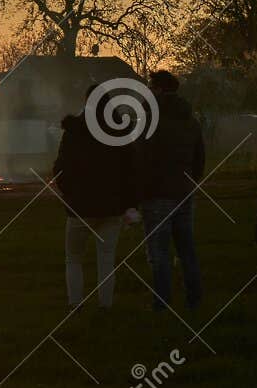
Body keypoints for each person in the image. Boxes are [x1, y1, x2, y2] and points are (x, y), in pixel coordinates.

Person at [51, 86, 139, 309]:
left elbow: (61, 169)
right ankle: (105, 305)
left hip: (80, 206)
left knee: (73, 258)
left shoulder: (74, 131)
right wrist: (129, 204)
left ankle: (75, 304)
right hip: (112, 208)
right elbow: (131, 172)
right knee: (106, 260)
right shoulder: (120, 133)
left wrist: (69, 193)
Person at [134, 71, 205, 312]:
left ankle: (162, 303)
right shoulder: (191, 120)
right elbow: (199, 159)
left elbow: (139, 158)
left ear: (158, 89)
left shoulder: (148, 119)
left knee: (159, 252)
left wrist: (137, 192)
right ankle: (194, 299)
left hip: (156, 194)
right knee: (187, 250)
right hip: (184, 191)